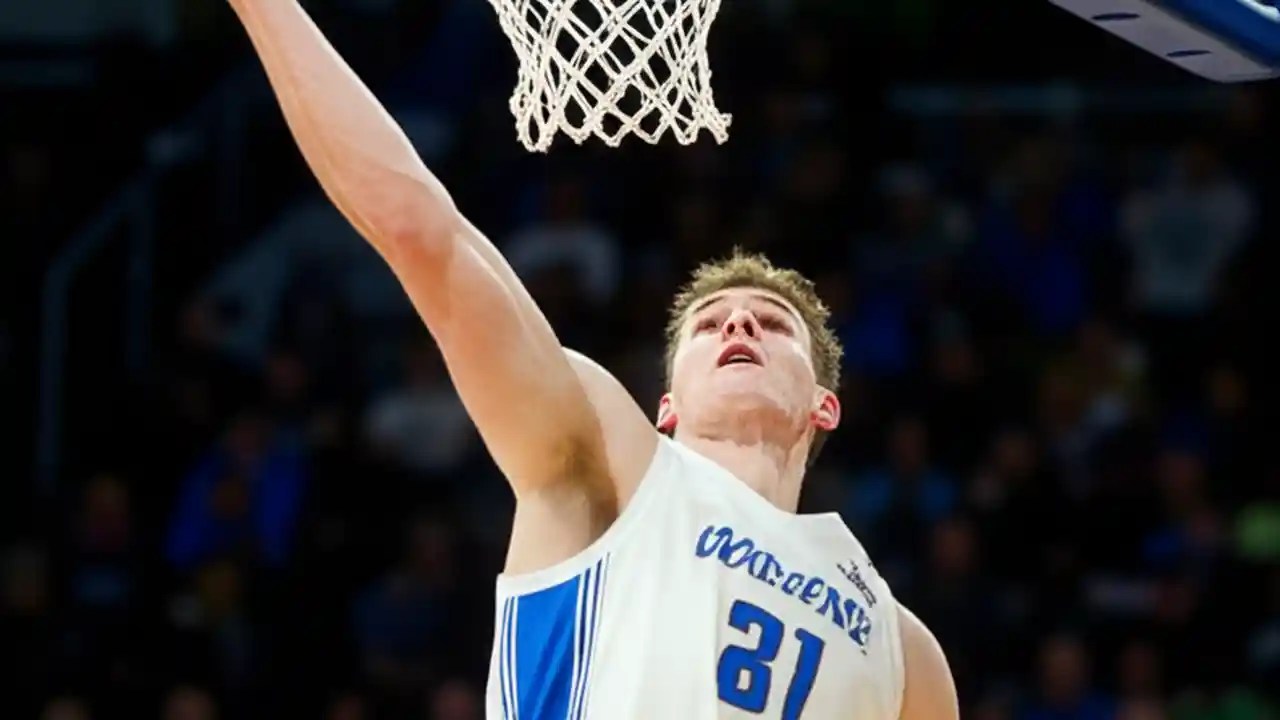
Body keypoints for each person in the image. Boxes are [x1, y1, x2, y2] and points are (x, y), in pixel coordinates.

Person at [222, 1, 960, 717]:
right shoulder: (616, 460)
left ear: (823, 403)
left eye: (772, 323)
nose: (739, 321)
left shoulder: (904, 650)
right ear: (665, 403)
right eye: (709, 325)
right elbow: (423, 233)